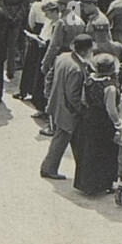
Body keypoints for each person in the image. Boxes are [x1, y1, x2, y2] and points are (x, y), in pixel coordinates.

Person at [40, 33, 94, 181]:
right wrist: (83, 111)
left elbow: (49, 77)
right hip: (68, 112)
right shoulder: (76, 69)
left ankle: (82, 173)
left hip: (56, 105)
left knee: (66, 139)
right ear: (86, 50)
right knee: (61, 140)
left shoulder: (62, 57)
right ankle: (49, 168)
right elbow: (73, 96)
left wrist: (49, 95)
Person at [73, 53, 121, 197]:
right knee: (105, 152)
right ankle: (102, 184)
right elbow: (111, 109)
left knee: (88, 150)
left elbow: (83, 100)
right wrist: (118, 124)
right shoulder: (110, 87)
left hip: (88, 118)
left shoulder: (89, 81)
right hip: (103, 121)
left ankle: (85, 183)